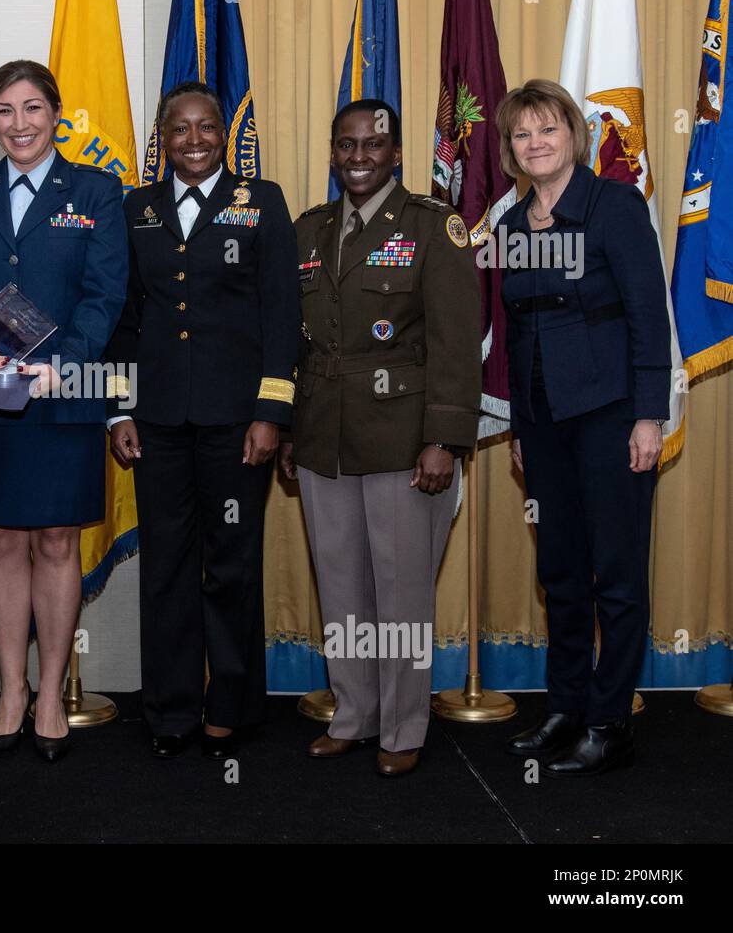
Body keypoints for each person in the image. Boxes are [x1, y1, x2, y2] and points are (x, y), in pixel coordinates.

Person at [0, 60, 127, 763]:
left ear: (56, 113)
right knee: (1, 540)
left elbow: (106, 295)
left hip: (62, 392)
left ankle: (47, 693)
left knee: (59, 540)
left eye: (32, 108)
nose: (20, 124)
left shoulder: (96, 191)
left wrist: (64, 363)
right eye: (4, 111)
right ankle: (9, 690)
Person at [280, 99, 481, 777]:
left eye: (372, 145)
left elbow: (456, 345)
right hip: (322, 436)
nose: (358, 157)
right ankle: (355, 712)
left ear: (396, 153)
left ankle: (402, 725)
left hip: (403, 435)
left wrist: (446, 441)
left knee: (400, 591)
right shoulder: (310, 231)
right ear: (333, 152)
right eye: (346, 145)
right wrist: (288, 428)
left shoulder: (433, 227)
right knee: (340, 585)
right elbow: (296, 344)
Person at [106, 82, 300, 759]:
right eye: (180, 130)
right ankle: (170, 710)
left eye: (206, 127)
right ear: (163, 139)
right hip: (156, 421)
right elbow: (123, 319)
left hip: (235, 422)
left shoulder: (262, 202)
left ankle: (234, 707)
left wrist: (271, 412)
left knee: (232, 563)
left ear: (225, 134)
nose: (194, 140)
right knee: (166, 567)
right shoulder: (136, 209)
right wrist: (119, 407)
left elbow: (283, 315)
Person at [494, 79, 670, 776]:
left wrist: (649, 416)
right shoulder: (510, 225)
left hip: (611, 416)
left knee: (616, 575)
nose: (535, 144)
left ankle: (609, 720)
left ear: (574, 134)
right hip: (541, 422)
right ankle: (565, 708)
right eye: (521, 135)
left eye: (548, 130)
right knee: (560, 571)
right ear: (510, 149)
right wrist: (515, 421)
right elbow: (516, 329)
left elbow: (649, 316)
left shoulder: (614, 206)